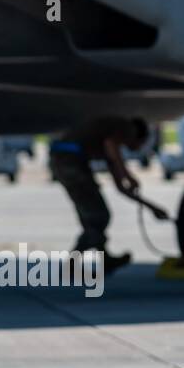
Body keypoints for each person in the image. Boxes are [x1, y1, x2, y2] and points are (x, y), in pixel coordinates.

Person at [49, 115, 151, 272]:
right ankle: (71, 263)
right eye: (140, 143)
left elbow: (121, 188)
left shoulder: (108, 144)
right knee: (99, 217)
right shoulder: (122, 128)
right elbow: (111, 147)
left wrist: (151, 207)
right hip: (69, 164)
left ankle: (104, 259)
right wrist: (128, 175)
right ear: (136, 134)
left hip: (67, 163)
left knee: (94, 218)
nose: (138, 148)